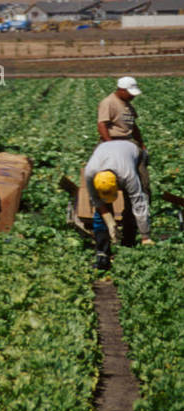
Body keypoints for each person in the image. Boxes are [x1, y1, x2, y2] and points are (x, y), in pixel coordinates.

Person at [83, 139, 152, 270]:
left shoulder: (128, 175)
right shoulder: (90, 174)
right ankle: (103, 253)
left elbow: (139, 203)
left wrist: (145, 236)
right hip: (105, 149)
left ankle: (129, 245)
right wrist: (110, 222)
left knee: (136, 200)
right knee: (100, 214)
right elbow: (97, 202)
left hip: (131, 150)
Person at [98, 76, 148, 193]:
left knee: (141, 178)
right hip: (113, 140)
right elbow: (102, 125)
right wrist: (110, 146)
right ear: (121, 90)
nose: (133, 96)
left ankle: (138, 206)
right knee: (109, 179)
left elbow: (133, 126)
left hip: (129, 142)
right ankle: (106, 209)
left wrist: (142, 144)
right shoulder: (109, 102)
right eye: (130, 93)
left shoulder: (128, 104)